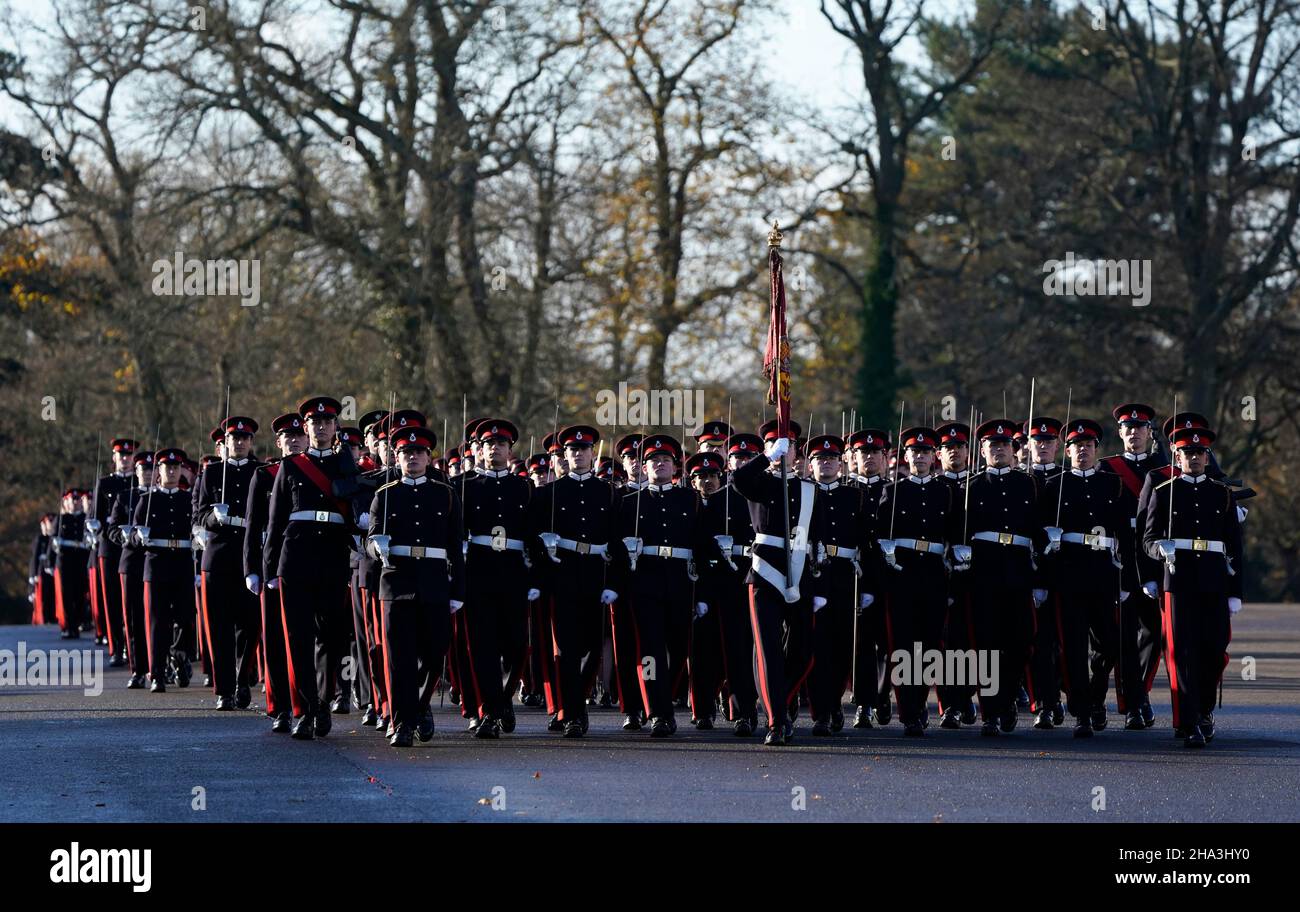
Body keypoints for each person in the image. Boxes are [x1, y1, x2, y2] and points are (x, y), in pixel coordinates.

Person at [263, 396, 362, 739]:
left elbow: (357, 512)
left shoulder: (345, 465)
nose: (320, 427)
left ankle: (324, 699)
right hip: (296, 559)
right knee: (298, 638)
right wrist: (269, 569)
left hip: (333, 558)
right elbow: (275, 522)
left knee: (332, 639)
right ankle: (305, 710)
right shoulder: (291, 467)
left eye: (327, 422)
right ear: (305, 428)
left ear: (335, 427)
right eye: (314, 423)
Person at [1142, 424, 1243, 747]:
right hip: (1179, 577)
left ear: (1206, 456)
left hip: (1213, 579)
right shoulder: (1164, 491)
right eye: (1188, 453)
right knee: (1182, 651)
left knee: (1213, 650)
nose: (1194, 458)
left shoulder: (1221, 493)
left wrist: (1236, 591)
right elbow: (1147, 539)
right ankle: (1190, 720)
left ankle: (1204, 709)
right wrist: (1160, 549)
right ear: (1177, 454)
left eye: (1199, 453)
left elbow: (1234, 546)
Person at [365, 425, 466, 747]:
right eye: (406, 453)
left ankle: (420, 707)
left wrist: (458, 590)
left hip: (434, 582)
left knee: (436, 654)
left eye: (419, 453)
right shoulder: (385, 494)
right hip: (397, 581)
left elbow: (456, 545)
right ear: (397, 457)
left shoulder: (445, 494)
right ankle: (401, 723)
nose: (413, 458)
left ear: (428, 457)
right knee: (399, 659)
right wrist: (375, 547)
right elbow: (370, 541)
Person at [1038, 418, 1134, 736]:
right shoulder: (1054, 486)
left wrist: (1127, 577)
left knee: (1109, 644)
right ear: (1067, 452)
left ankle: (1096, 697)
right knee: (1073, 647)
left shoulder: (1113, 484)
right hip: (1069, 572)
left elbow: (1127, 534)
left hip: (1104, 573)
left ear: (1096, 450)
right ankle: (1082, 712)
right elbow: (1039, 533)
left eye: (1088, 446)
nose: (1083, 450)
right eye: (1077, 446)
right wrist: (1047, 544)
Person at [526, 424, 618, 738]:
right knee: (566, 649)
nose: (578, 455)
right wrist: (539, 577)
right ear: (564, 455)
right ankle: (574, 714)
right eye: (572, 451)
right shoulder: (550, 493)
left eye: (583, 450)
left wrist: (613, 582)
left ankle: (573, 701)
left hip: (596, 573)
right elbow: (534, 539)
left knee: (594, 645)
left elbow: (617, 540)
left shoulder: (607, 492)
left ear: (594, 453)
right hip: (562, 573)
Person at [610, 434, 704, 737]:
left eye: (665, 460)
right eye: (653, 460)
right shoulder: (628, 502)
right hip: (645, 579)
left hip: (680, 579)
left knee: (678, 648)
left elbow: (702, 544)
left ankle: (664, 696)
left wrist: (701, 590)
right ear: (644, 466)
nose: (659, 464)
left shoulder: (690, 498)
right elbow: (613, 546)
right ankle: (659, 713)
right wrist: (627, 551)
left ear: (675, 466)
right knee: (649, 650)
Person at [732, 418, 819, 746]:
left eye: (789, 446)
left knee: (802, 652)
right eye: (776, 444)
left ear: (797, 452)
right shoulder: (759, 483)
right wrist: (766, 458)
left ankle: (777, 698)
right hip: (765, 572)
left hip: (799, 573)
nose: (785, 450)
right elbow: (738, 479)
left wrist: (818, 587)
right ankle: (776, 721)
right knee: (767, 649)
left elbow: (817, 539)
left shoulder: (809, 490)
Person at [874, 427, 962, 736]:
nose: (920, 457)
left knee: (929, 643)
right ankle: (909, 712)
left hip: (935, 572)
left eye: (926, 452)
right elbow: (880, 531)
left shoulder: (945, 491)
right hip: (903, 572)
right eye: (915, 452)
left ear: (934, 456)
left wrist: (958, 555)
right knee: (903, 644)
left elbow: (954, 533)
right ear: (906, 456)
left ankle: (921, 701)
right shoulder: (894, 490)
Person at [461, 418, 534, 738]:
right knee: (482, 645)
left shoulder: (523, 486)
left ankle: (503, 699)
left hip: (514, 571)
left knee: (517, 644)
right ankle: (489, 710)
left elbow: (533, 532)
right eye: (489, 444)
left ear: (510, 449)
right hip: (478, 568)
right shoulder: (465, 485)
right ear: (479, 449)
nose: (495, 449)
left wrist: (536, 575)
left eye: (501, 444)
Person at [195, 416, 263, 711]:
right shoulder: (211, 474)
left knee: (252, 625)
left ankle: (244, 676)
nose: (239, 442)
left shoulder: (261, 472)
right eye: (234, 438)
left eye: (244, 438)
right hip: (219, 555)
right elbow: (197, 515)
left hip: (250, 554)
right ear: (226, 442)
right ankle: (224, 689)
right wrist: (213, 517)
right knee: (219, 626)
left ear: (251, 442)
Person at [132, 448, 196, 692]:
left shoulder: (186, 499)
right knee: (157, 622)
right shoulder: (147, 500)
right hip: (156, 564)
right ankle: (156, 672)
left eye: (175, 467)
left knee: (185, 617)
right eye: (166, 467)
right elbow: (136, 536)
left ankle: (179, 657)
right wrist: (140, 536)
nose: (171, 471)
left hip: (181, 563)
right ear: (158, 471)